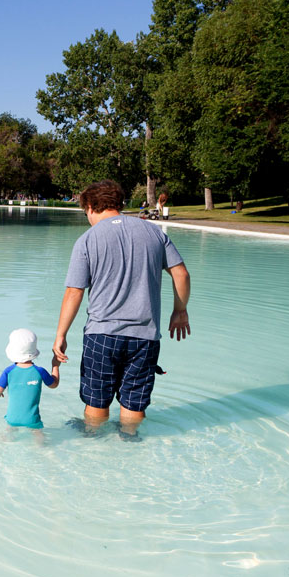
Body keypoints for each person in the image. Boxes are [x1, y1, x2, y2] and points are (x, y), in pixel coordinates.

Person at [53, 180, 191, 441]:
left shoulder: (88, 240)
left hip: (102, 336)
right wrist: (180, 310)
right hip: (145, 337)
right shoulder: (155, 233)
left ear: (91, 206)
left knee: (97, 399)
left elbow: (75, 291)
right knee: (135, 402)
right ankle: (130, 443)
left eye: (86, 214)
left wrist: (61, 334)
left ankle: (93, 443)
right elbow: (181, 274)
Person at [0, 329, 60, 436]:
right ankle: (44, 450)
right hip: (32, 419)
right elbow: (54, 385)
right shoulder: (40, 371)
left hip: (12, 418)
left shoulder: (9, 371)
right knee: (38, 436)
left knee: (9, 434)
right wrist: (55, 366)